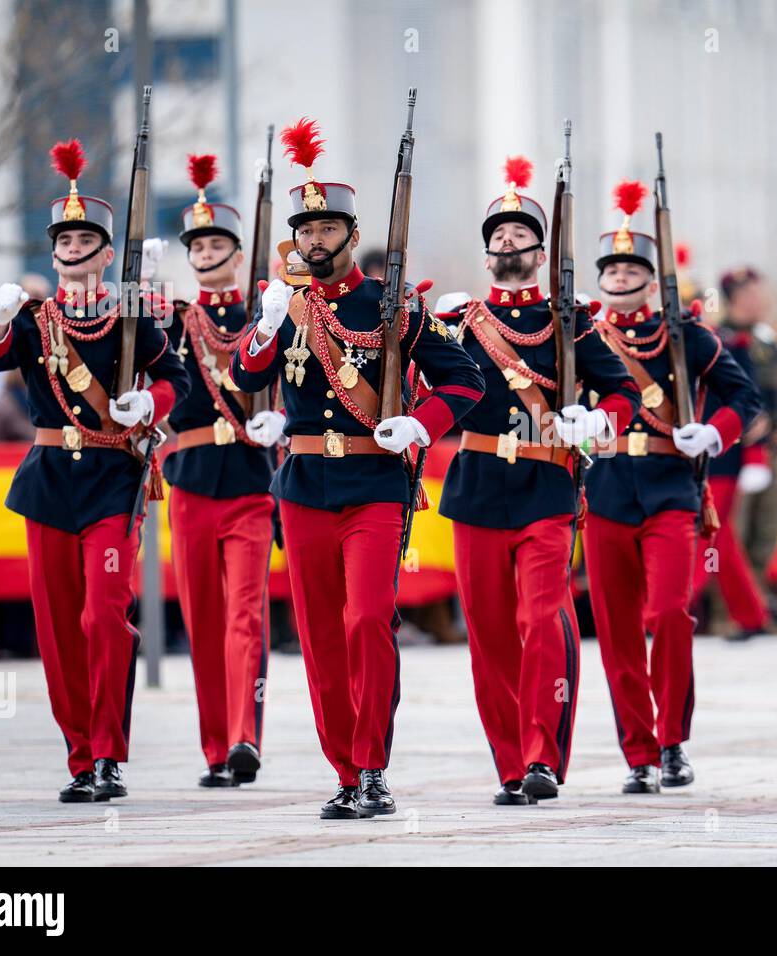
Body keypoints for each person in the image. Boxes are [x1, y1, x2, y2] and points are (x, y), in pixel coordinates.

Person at [230, 118, 484, 820]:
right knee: (318, 636)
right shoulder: (287, 305)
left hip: (375, 484)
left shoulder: (392, 304)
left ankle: (374, 766)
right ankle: (344, 769)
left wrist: (420, 424)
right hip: (305, 486)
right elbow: (243, 372)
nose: (313, 241)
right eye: (303, 231)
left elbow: (465, 384)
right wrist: (263, 322)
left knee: (367, 619)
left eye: (326, 229)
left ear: (349, 232)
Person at [0, 138, 189, 802]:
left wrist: (147, 402)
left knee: (102, 615)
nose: (70, 247)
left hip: (109, 477)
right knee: (59, 627)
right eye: (62, 239)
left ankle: (110, 753)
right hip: (48, 480)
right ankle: (80, 757)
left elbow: (173, 376)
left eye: (83, 238)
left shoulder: (129, 315)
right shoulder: (37, 322)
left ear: (103, 252)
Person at [433, 156, 639, 806]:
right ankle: (509, 764)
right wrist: (418, 331)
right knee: (490, 635)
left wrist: (594, 422)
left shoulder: (569, 320)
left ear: (540, 248)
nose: (506, 245)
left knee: (543, 617)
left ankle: (542, 755)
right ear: (488, 252)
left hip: (546, 487)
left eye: (519, 235)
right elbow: (422, 390)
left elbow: (625, 393)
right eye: (497, 237)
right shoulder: (462, 322)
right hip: (477, 487)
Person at [581, 180, 760, 793]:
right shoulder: (584, 337)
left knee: (669, 613)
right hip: (605, 489)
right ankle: (638, 753)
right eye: (613, 269)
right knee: (617, 630)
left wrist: (712, 433)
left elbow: (745, 396)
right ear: (602, 280)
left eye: (633, 268)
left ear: (652, 280)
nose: (622, 277)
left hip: (668, 488)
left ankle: (672, 740)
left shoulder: (686, 336)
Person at [162, 153, 285, 789]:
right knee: (202, 620)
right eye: (198, 245)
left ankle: (244, 736)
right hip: (189, 480)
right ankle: (215, 748)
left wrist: (284, 421)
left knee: (246, 613)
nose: (206, 253)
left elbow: (296, 382)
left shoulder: (264, 317)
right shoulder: (175, 322)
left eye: (217, 244)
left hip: (248, 482)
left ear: (239, 253)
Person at [692, 268, 777, 639]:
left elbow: (753, 401)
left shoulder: (746, 342)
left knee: (714, 532)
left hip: (728, 450)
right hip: (710, 447)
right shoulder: (719, 338)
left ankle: (681, 606)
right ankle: (749, 613)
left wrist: (759, 446)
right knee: (716, 534)